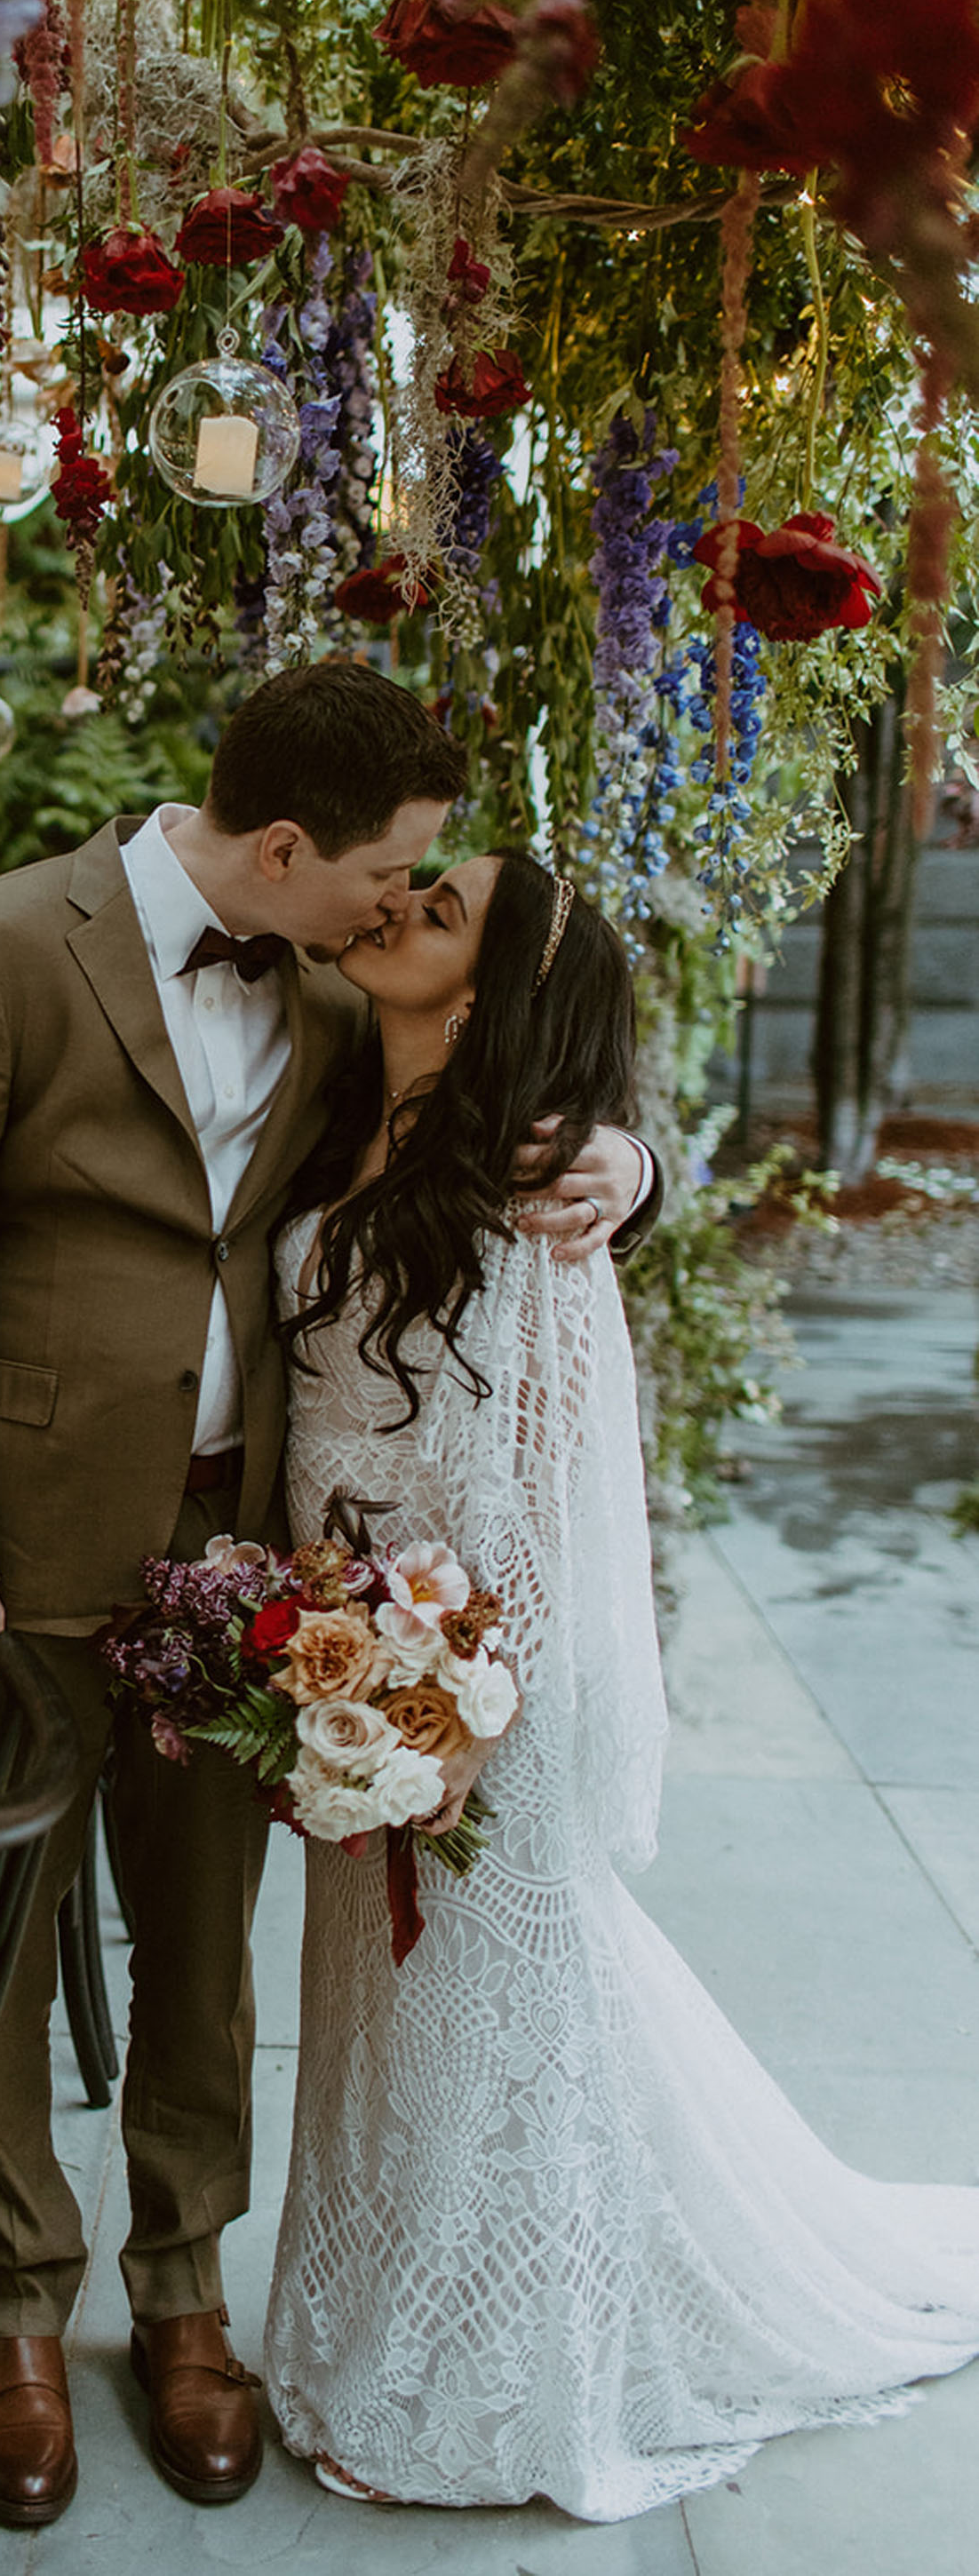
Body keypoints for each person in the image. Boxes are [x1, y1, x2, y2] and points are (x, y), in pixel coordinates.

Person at [0, 663, 656, 2531]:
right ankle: (13, 2317)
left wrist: (631, 1159)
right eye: (391, 873)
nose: (400, 906)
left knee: (200, 1956)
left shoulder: (329, 983)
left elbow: (496, 1104)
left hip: (252, 1572)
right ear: (285, 848)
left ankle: (187, 2296)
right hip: (26, 1557)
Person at [266, 848, 979, 2517]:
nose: (393, 911)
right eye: (406, 890)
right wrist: (334, 1665)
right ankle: (376, 2329)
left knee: (498, 2015)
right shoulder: (328, 1073)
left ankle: (501, 2375)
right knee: (378, 2018)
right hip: (339, 1664)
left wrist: (462, 1701)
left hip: (472, 1690)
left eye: (438, 912)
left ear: (499, 984)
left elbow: (551, 1492)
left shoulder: (532, 1204)